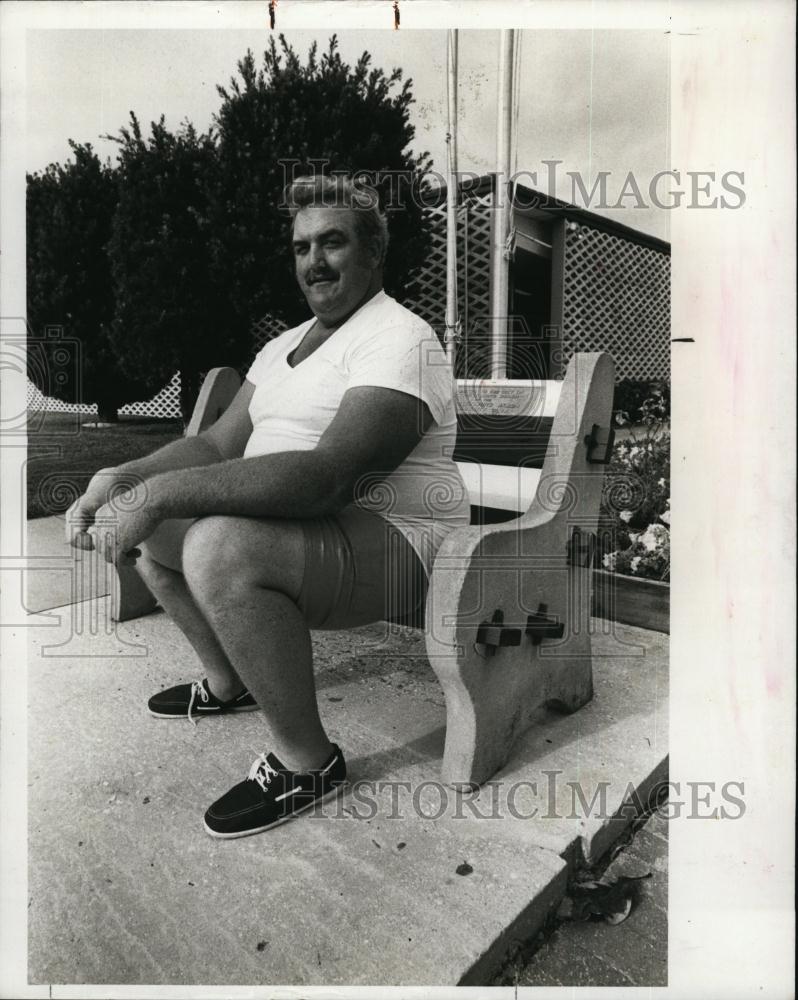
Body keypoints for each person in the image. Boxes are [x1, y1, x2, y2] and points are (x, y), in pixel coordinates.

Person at [67, 174, 470, 839]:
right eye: (301, 246)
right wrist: (120, 478)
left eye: (334, 242)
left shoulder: (402, 338)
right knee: (163, 528)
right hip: (318, 534)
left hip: (407, 543)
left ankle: (307, 761)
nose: (314, 261)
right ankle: (231, 684)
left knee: (218, 543)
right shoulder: (282, 346)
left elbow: (328, 478)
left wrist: (159, 494)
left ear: (373, 253)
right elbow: (219, 444)